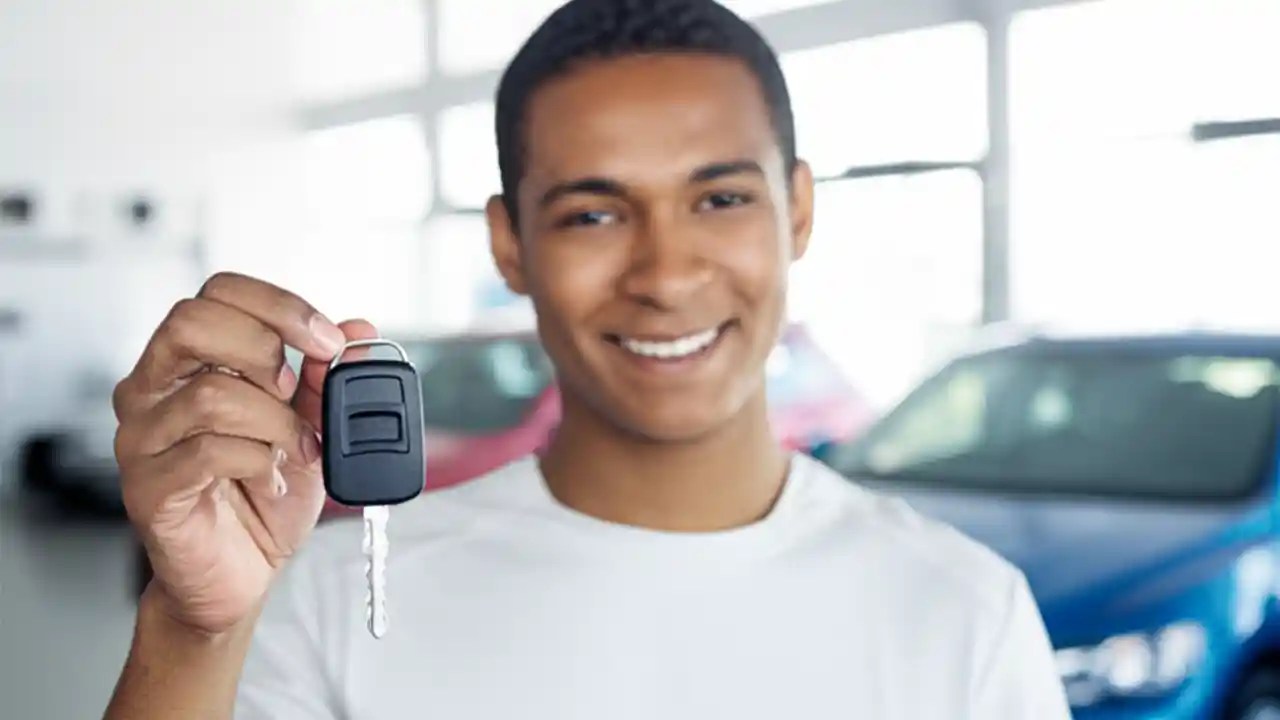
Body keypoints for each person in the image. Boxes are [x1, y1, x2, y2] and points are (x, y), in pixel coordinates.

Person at [104, 1, 1071, 718]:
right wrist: (194, 633)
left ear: (800, 212)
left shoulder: (964, 610)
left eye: (721, 199)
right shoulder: (324, 601)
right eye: (594, 214)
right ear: (510, 244)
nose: (665, 273)